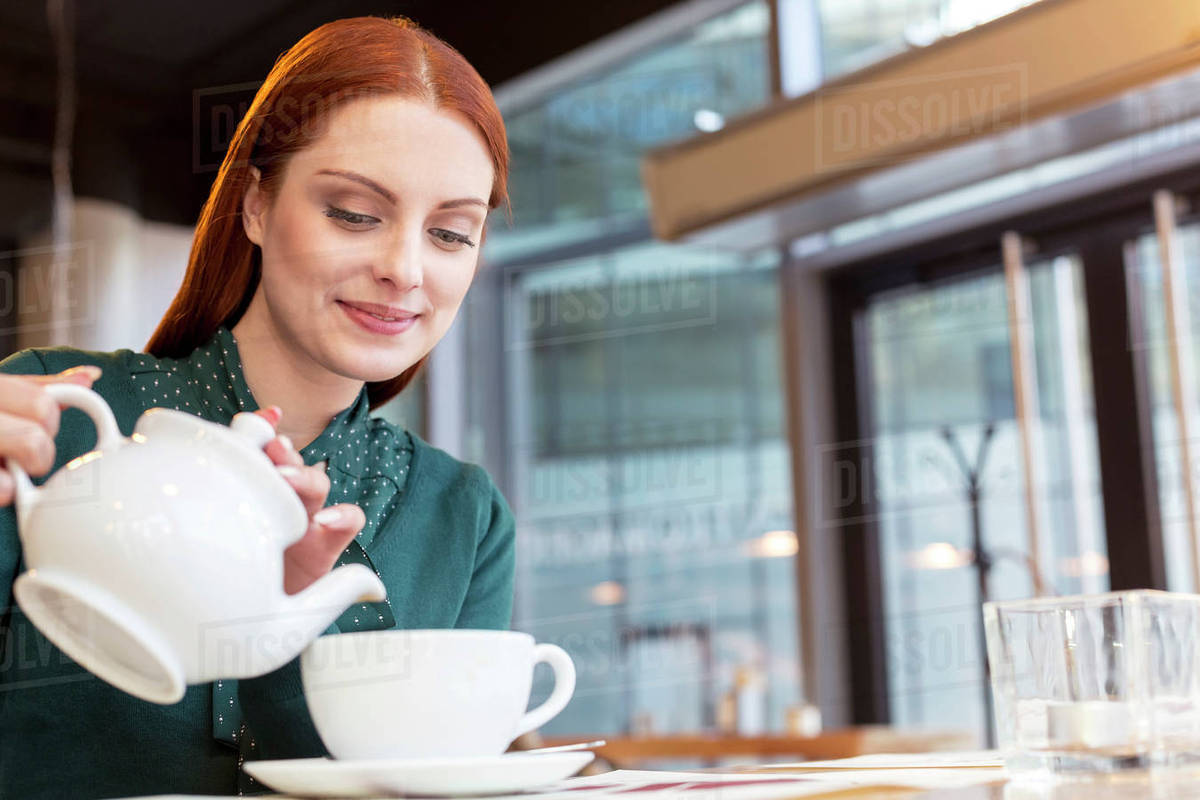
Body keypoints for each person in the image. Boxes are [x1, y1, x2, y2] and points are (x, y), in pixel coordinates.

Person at [0, 15, 515, 798]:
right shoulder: (57, 413)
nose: (405, 269)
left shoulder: (466, 516)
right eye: (353, 213)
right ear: (255, 208)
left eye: (451, 233)